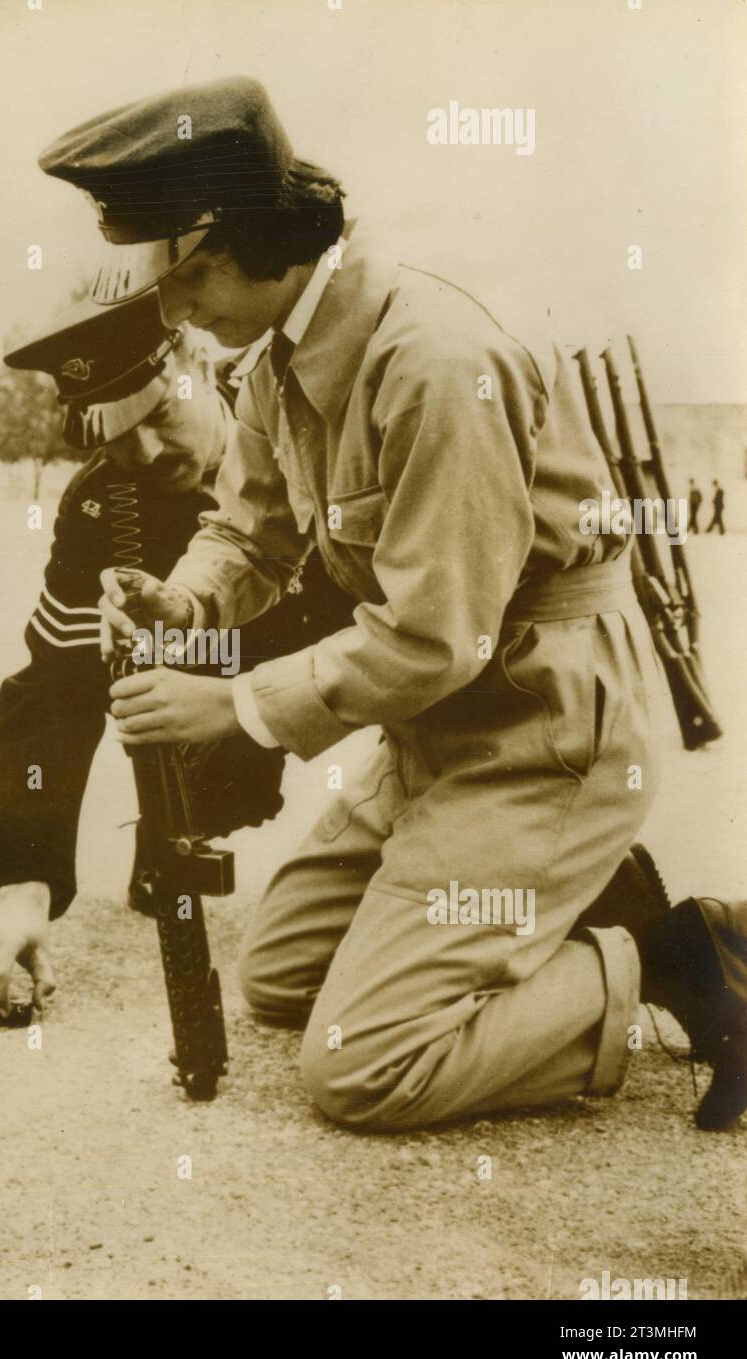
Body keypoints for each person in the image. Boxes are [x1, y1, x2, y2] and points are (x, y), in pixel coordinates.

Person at [40, 77, 746, 1132]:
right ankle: (575, 896)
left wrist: (229, 706)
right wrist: (182, 600)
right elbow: (250, 529)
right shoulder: (275, 358)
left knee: (362, 1064)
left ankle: (665, 952)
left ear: (255, 240)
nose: (180, 317)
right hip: (434, 733)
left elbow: (435, 634)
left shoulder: (435, 365)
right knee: (280, 977)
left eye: (190, 282)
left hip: (539, 730)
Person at [0, 289, 352, 1017]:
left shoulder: (310, 445)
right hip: (214, 694)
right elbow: (50, 694)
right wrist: (26, 887)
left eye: (157, 416)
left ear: (198, 365)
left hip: (334, 683)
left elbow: (408, 635)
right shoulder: (102, 503)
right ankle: (170, 835)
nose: (140, 456)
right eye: (111, 441)